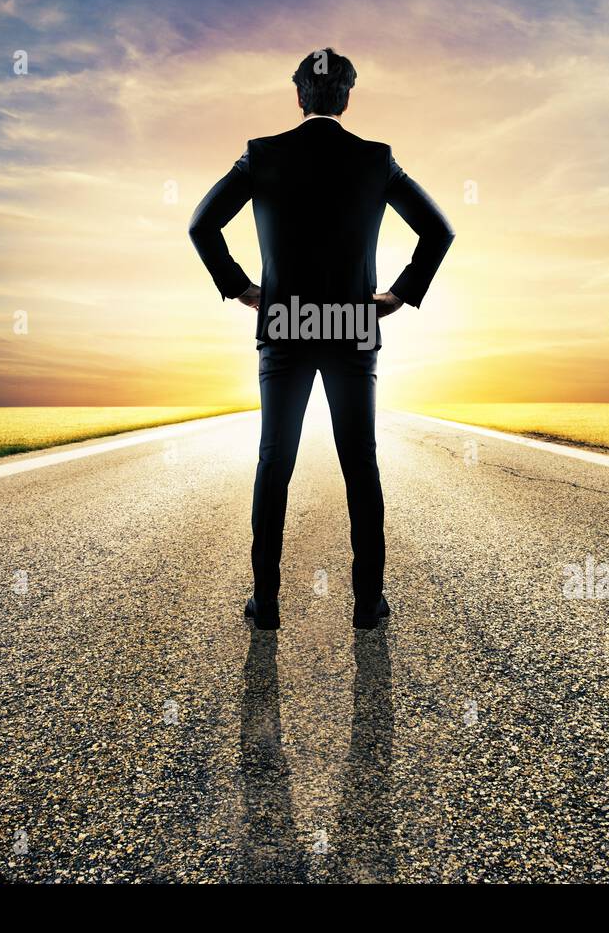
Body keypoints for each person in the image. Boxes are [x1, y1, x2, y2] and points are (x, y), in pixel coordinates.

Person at [189, 48, 454, 630]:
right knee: (360, 463)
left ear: (299, 96)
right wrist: (398, 296)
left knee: (273, 462)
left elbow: (201, 225)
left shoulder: (260, 155)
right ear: (348, 98)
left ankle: (267, 605)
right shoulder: (377, 159)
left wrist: (242, 289)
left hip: (284, 323)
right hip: (353, 325)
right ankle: (367, 604)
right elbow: (439, 230)